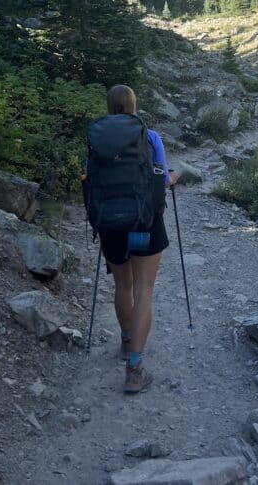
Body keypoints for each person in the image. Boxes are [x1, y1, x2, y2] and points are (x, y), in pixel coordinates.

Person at [97, 84, 177, 394]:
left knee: (122, 285)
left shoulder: (98, 141)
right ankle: (134, 369)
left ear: (109, 107)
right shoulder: (150, 136)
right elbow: (162, 178)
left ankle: (126, 338)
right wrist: (177, 176)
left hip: (111, 225)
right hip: (143, 224)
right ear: (133, 106)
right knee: (144, 289)